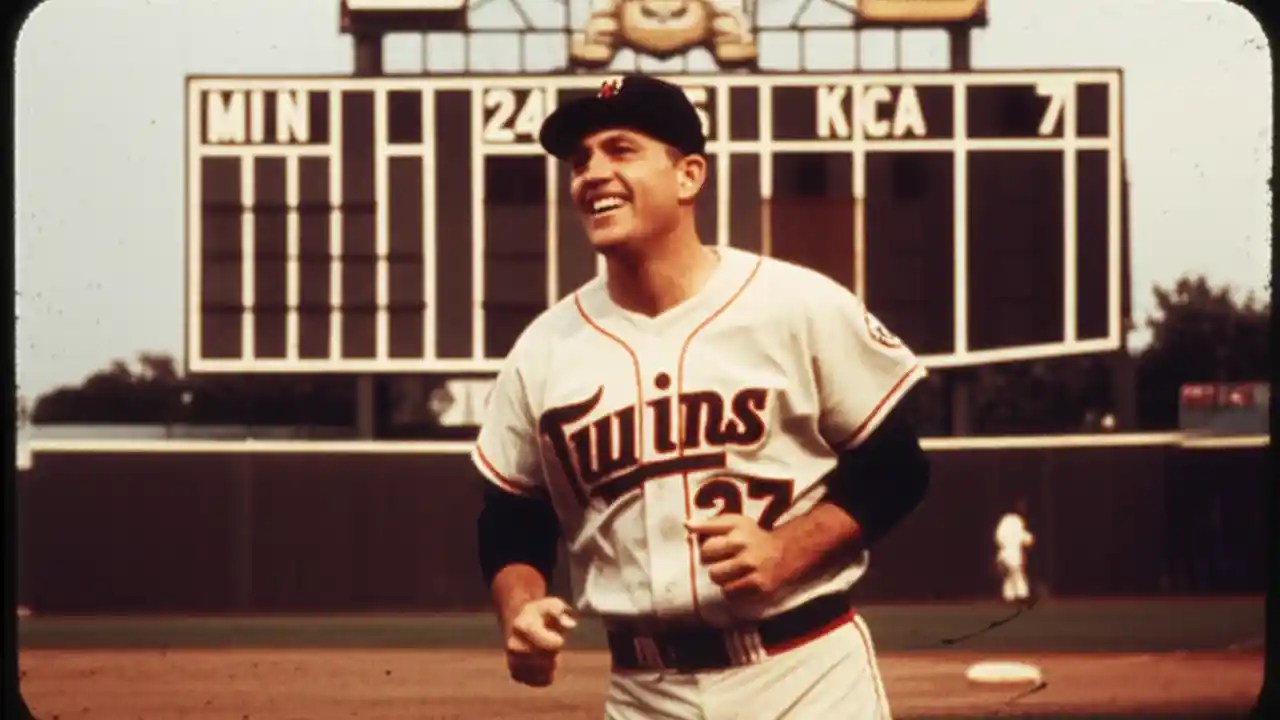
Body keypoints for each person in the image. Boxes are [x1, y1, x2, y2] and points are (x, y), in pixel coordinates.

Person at [472, 73, 931, 719]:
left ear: (688, 176)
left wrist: (787, 548)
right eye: (580, 161)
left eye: (620, 149)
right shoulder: (544, 349)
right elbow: (512, 513)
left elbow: (898, 464)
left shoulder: (794, 303)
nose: (592, 172)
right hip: (644, 692)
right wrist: (519, 609)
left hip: (805, 673)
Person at [994, 500, 1034, 603]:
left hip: (1003, 553)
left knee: (1010, 576)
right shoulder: (1017, 521)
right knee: (1017, 574)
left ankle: (1009, 596)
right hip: (1013, 553)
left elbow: (998, 537)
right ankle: (1022, 595)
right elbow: (1022, 537)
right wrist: (1029, 540)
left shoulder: (1005, 520)